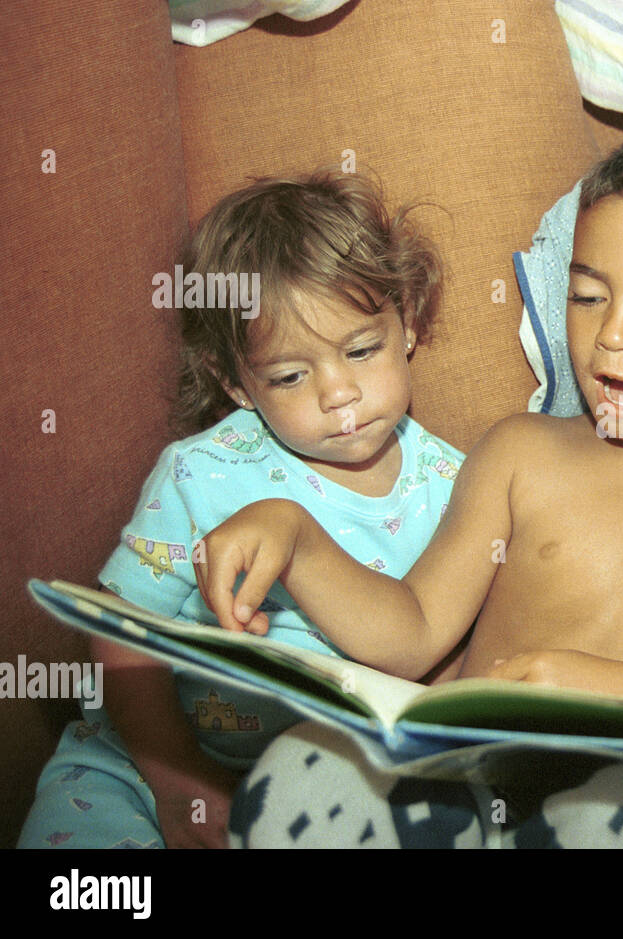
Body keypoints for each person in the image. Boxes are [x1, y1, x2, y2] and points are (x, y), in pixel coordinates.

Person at [199, 122, 623, 847]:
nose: (613, 336)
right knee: (309, 765)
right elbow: (412, 632)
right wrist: (296, 538)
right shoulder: (520, 451)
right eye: (589, 296)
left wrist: (612, 691)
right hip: (470, 787)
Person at [19, 170, 462, 848]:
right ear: (237, 383)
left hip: (320, 789)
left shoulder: (454, 485)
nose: (339, 393)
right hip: (142, 764)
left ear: (406, 321)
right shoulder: (202, 473)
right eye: (290, 375)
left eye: (361, 349)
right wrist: (176, 777)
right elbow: (119, 632)